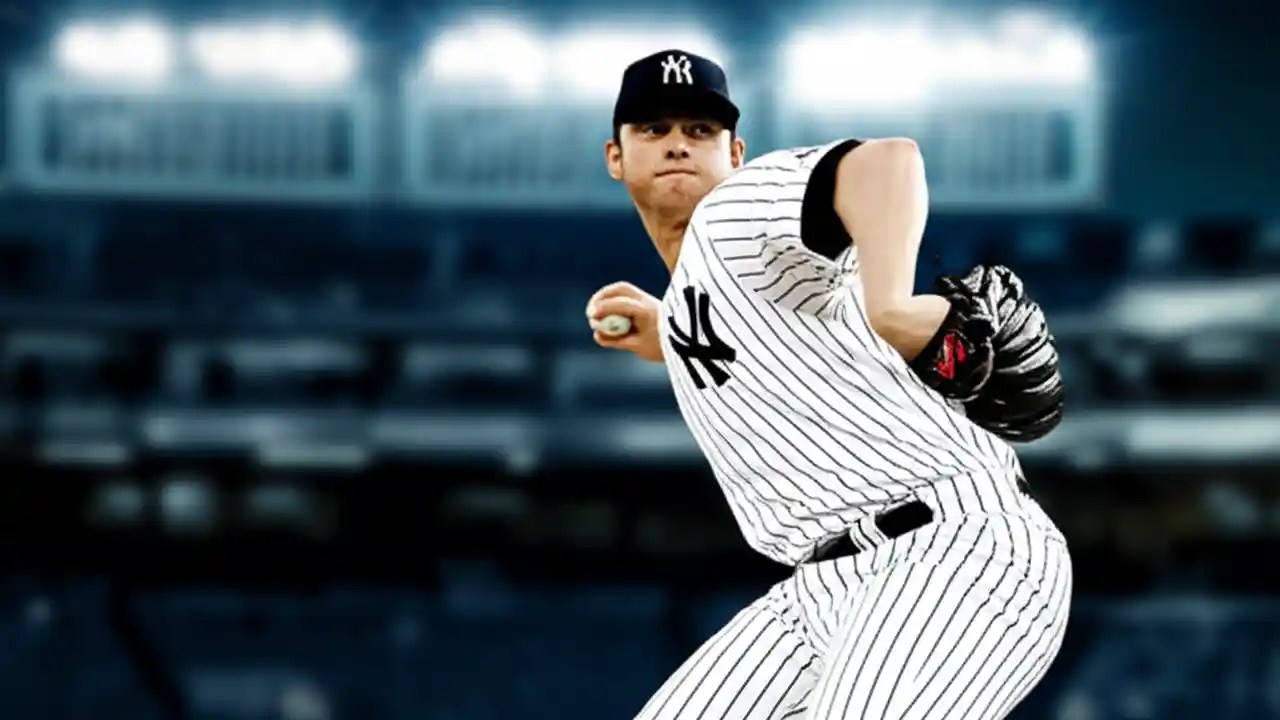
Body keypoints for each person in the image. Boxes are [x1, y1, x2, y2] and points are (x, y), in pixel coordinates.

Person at [587, 49, 1071, 719]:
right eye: (654, 129)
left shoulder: (734, 210)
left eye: (700, 131)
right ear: (616, 156)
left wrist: (893, 306)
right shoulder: (702, 291)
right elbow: (759, 342)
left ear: (736, 153)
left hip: (953, 554)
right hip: (820, 591)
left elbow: (885, 162)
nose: (677, 146)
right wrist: (668, 331)